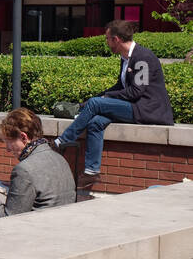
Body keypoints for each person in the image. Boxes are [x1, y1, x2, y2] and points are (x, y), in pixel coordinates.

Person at [53, 19, 173, 196]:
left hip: (146, 109)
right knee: (96, 122)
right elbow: (120, 87)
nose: (107, 42)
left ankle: (62, 141)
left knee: (96, 103)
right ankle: (92, 173)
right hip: (133, 106)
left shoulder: (143, 57)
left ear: (116, 39)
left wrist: (102, 99)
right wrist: (96, 98)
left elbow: (136, 91)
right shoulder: (126, 59)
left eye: (107, 39)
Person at [0, 108, 75, 217]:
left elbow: (6, 219)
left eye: (9, 142)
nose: (7, 149)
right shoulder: (60, 159)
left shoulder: (24, 170)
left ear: (23, 137)